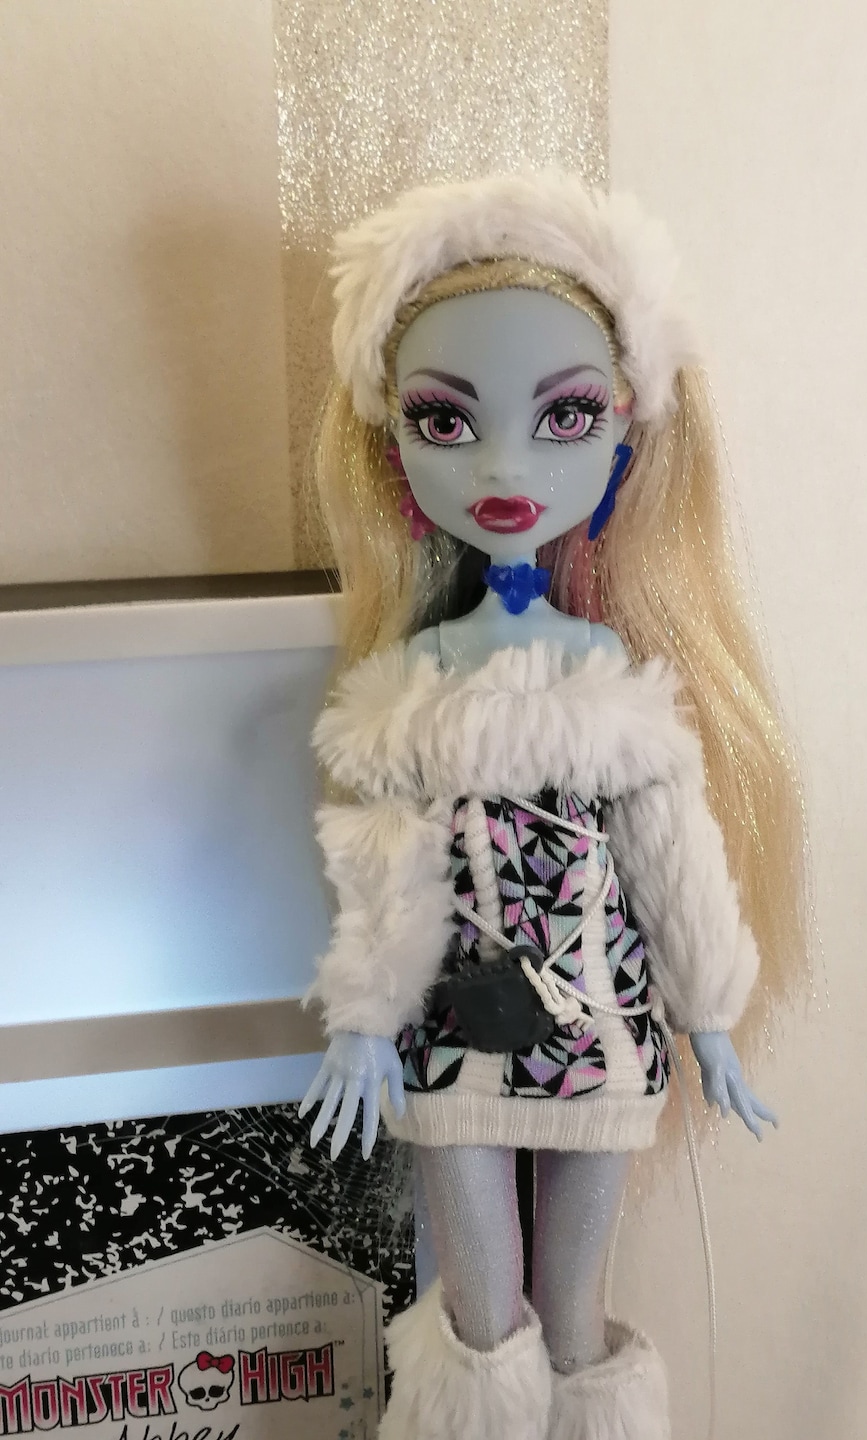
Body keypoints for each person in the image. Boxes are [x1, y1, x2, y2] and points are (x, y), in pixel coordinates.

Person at [299, 171, 805, 1440]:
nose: (508, 465)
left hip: (603, 1030)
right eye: (448, 419)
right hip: (453, 1031)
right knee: (482, 1313)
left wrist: (710, 1016)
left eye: (565, 415)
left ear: (622, 440)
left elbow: (673, 850)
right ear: (397, 454)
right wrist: (364, 1018)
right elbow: (386, 860)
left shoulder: (617, 684)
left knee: (576, 1315)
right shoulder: (413, 686)